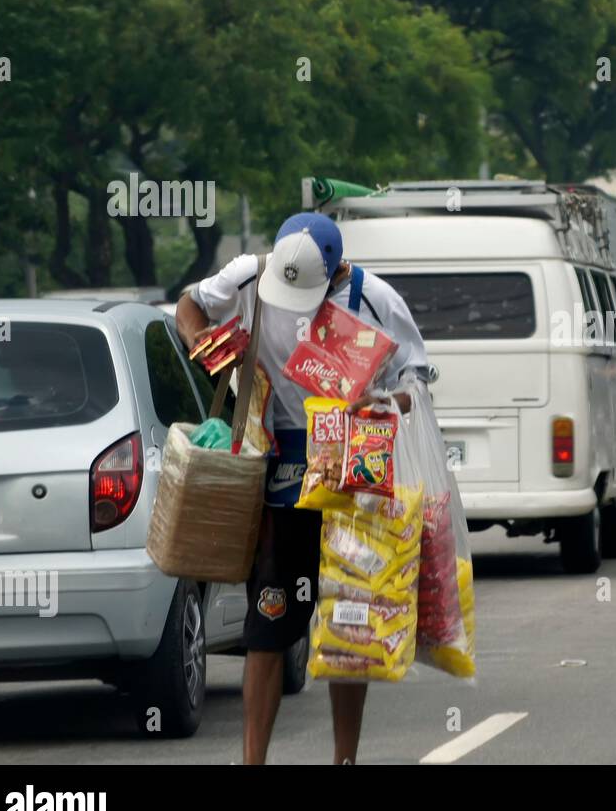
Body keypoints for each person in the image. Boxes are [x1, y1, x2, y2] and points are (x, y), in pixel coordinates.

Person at [175, 212, 427, 764]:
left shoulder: (376, 299)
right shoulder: (249, 275)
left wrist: (385, 401)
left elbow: (419, 379)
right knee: (266, 623)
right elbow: (189, 306)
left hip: (352, 480)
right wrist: (207, 348)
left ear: (337, 272)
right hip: (279, 471)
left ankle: (344, 759)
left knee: (346, 630)